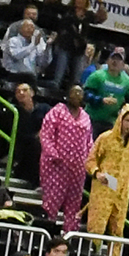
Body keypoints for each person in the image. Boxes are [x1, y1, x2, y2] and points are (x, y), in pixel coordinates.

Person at [39, 90, 94, 232]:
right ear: (68, 96)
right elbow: (46, 135)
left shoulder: (86, 117)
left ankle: (70, 236)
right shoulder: (56, 112)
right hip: (56, 166)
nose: (76, 96)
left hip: (78, 169)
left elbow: (89, 143)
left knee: (74, 206)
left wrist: (89, 161)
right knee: (51, 202)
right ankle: (47, 232)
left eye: (79, 94)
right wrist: (53, 155)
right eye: (73, 93)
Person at [85, 106, 129, 238]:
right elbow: (90, 161)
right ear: (120, 120)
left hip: (122, 191)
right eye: (127, 120)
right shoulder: (105, 138)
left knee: (118, 231)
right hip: (104, 187)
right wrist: (97, 173)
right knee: (97, 228)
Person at [82, 51, 129, 134]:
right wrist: (101, 100)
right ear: (107, 61)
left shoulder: (128, 83)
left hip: (112, 122)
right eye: (113, 59)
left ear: (123, 65)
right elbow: (86, 95)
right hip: (92, 118)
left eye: (118, 60)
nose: (115, 62)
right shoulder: (97, 76)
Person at [12, 83, 44, 187]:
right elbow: (19, 135)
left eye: (24, 90)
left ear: (32, 92)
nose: (21, 93)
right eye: (18, 91)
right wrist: (36, 137)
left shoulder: (44, 109)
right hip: (25, 147)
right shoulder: (14, 111)